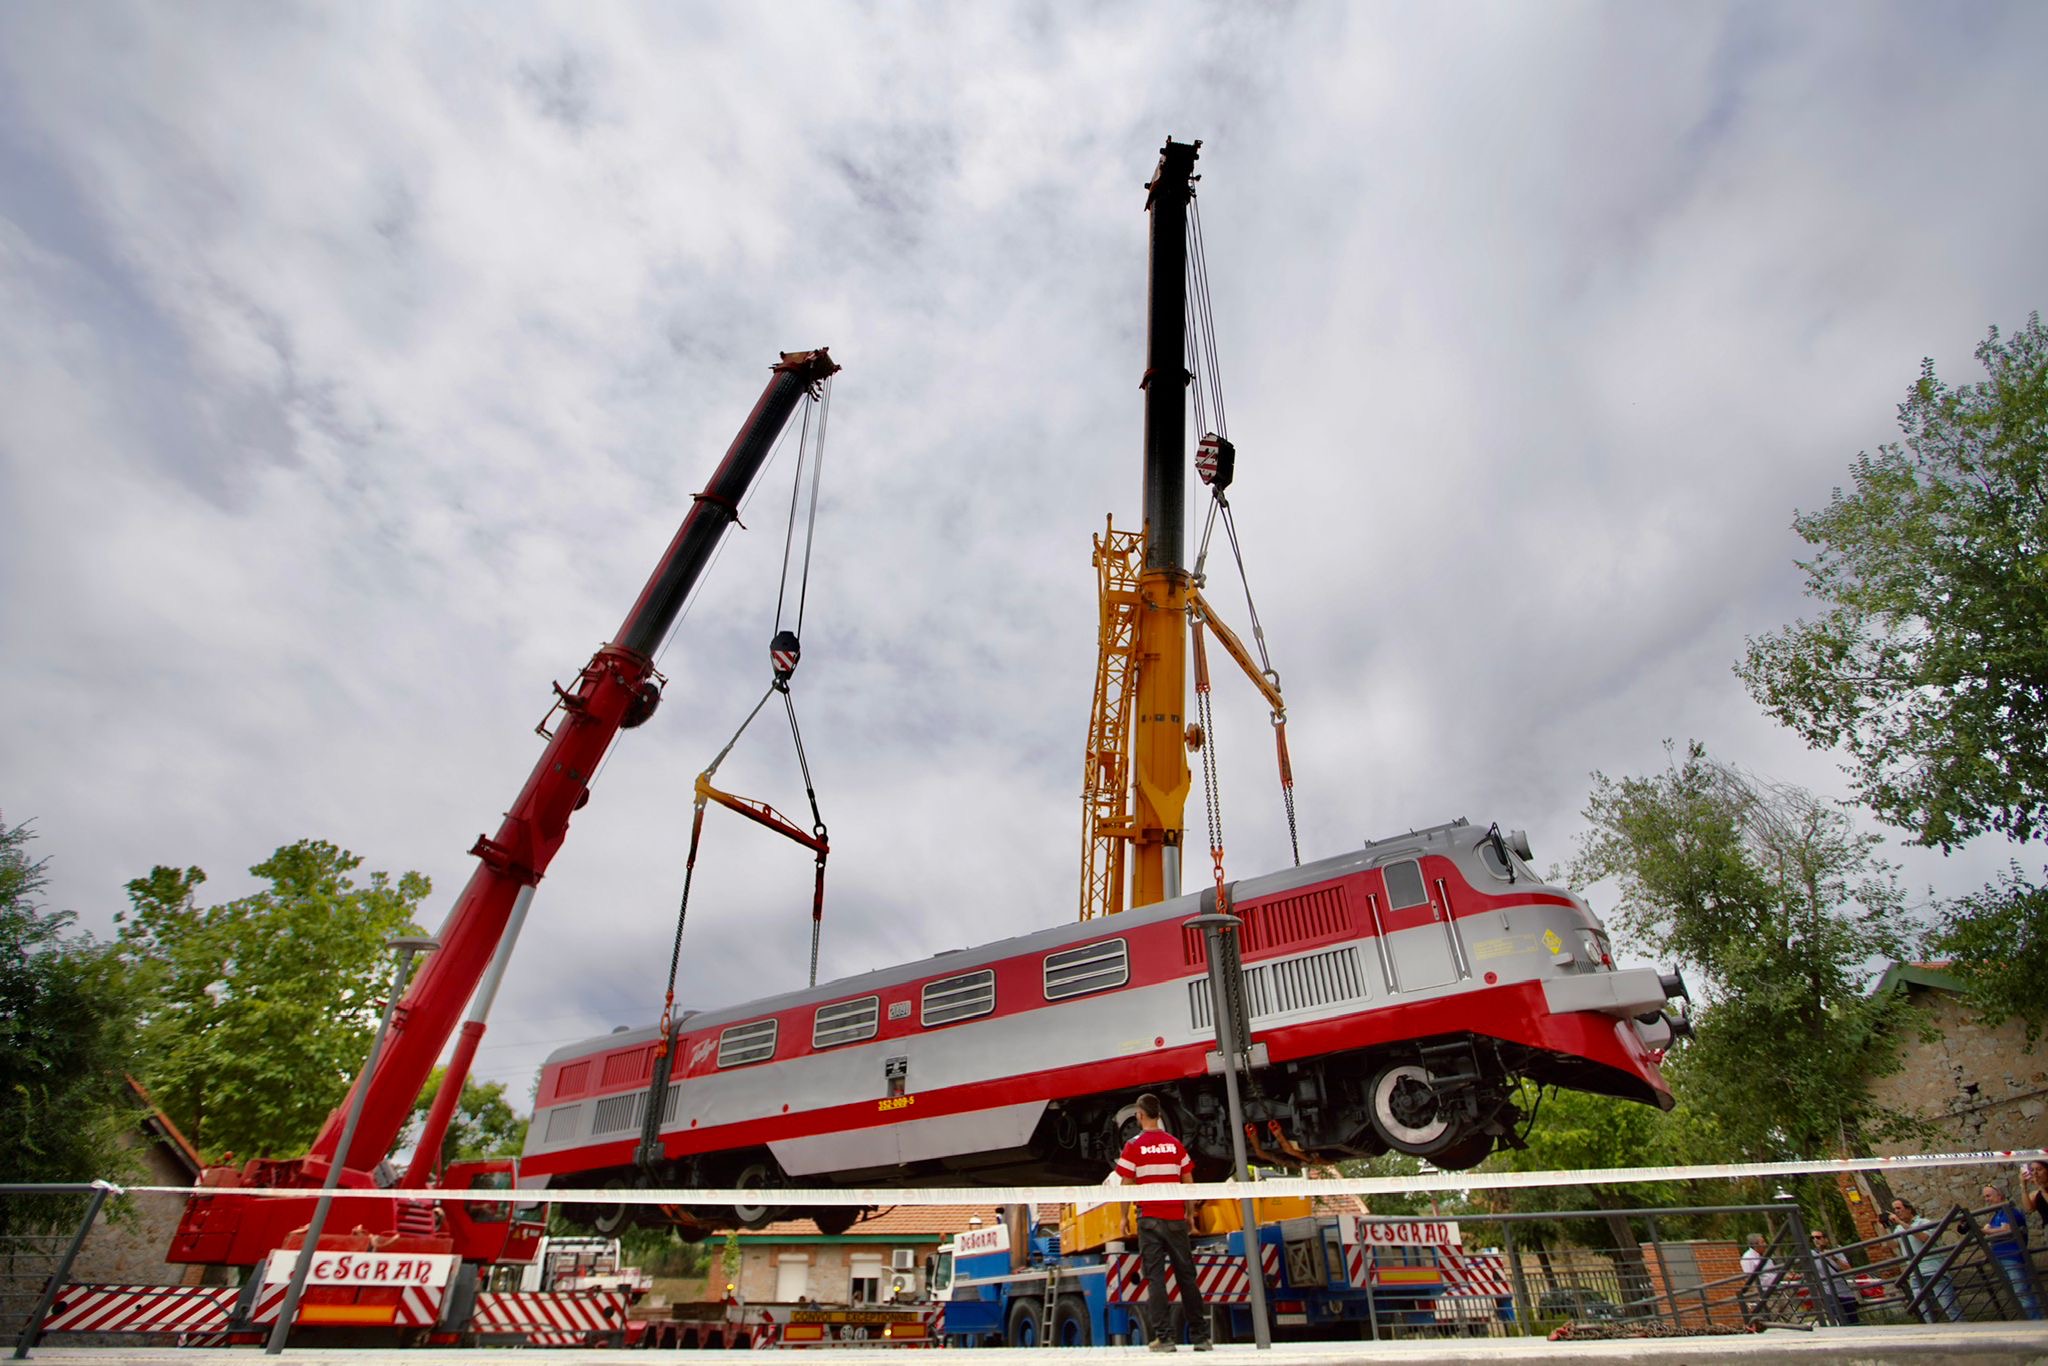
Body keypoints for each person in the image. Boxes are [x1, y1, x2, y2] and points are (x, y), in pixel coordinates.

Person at [1114, 1093, 1212, 1352]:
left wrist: (1123, 1216)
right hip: (1176, 1219)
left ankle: (1165, 1338)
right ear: (1158, 1114)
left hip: (1149, 1220)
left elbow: (1126, 1184)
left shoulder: (1133, 1146)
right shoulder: (1175, 1144)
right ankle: (1201, 1338)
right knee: (1187, 1277)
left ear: (1139, 1115)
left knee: (1155, 1278)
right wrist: (1189, 1214)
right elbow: (1188, 1180)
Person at [1888, 1198, 1958, 1323]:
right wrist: (1884, 1228)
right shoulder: (1898, 1229)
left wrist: (1900, 1222)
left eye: (1899, 1208)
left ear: (1909, 1209)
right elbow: (1893, 1245)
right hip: (1915, 1273)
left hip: (1933, 1270)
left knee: (1950, 1307)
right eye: (1894, 1210)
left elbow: (1925, 1238)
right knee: (1925, 1311)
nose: (1896, 1212)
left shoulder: (1923, 1222)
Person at [1982, 1184, 2043, 1320]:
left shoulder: (2009, 1210)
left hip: (2013, 1257)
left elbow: (2006, 1229)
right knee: (2019, 1293)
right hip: (2003, 1258)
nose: (1986, 1199)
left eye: (1989, 1196)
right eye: (1985, 1196)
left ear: (2000, 1196)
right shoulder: (1997, 1215)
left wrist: (1986, 1230)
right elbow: (1991, 1229)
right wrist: (1987, 1230)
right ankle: (2033, 1321)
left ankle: (2036, 1322)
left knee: (2022, 1292)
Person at [1809, 1231, 1860, 1325]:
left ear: (1826, 1239)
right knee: (1839, 1319)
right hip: (1828, 1292)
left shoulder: (1837, 1251)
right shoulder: (1812, 1254)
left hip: (1843, 1291)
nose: (1815, 1240)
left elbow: (1848, 1268)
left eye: (1818, 1237)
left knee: (1853, 1319)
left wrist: (1833, 1258)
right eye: (1812, 1238)